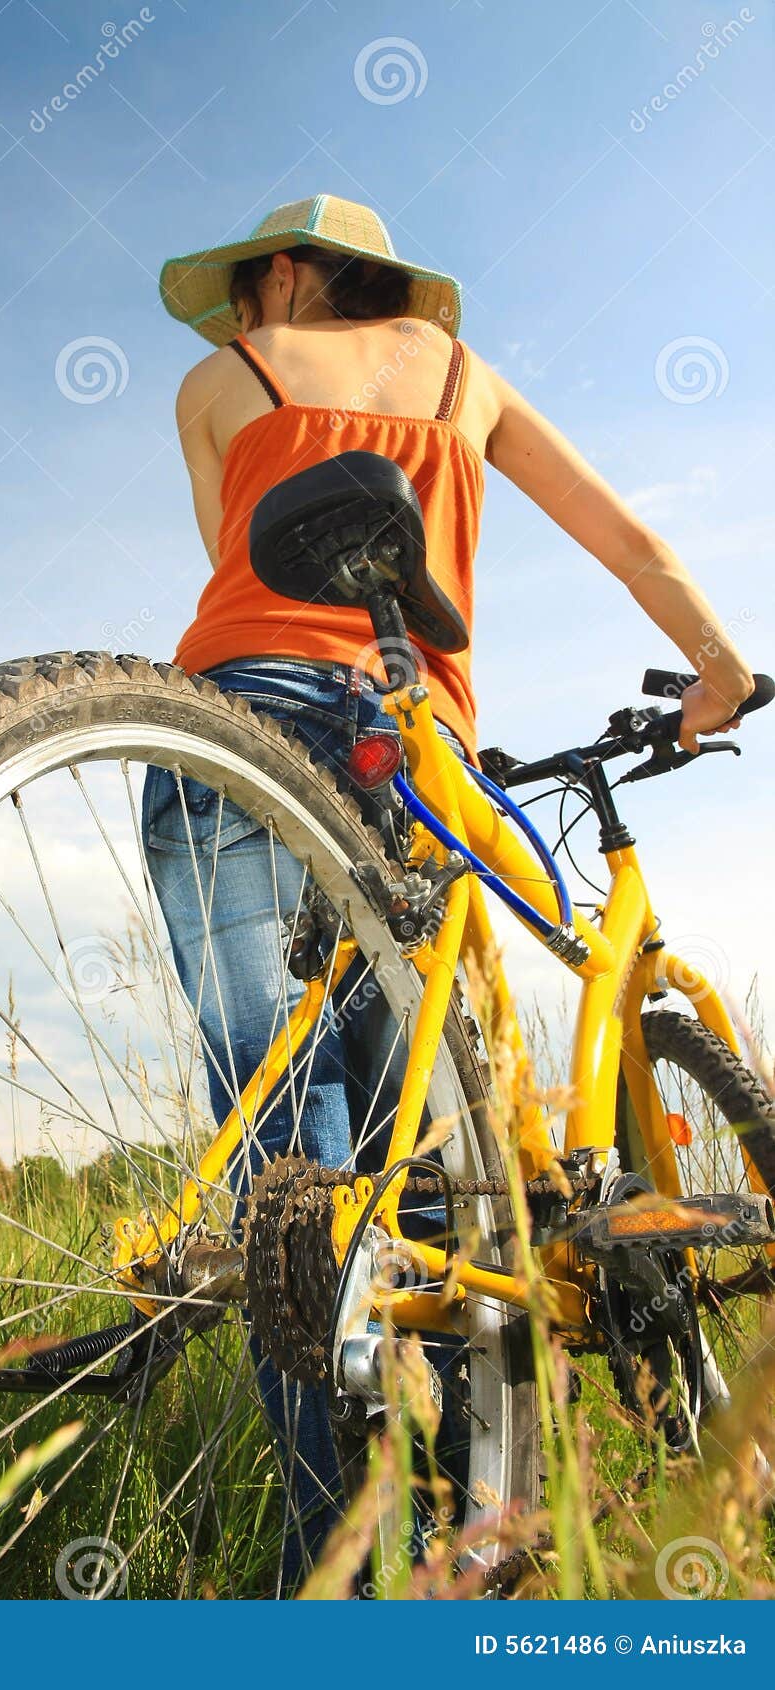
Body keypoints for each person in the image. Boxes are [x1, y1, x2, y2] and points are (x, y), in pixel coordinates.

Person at [141, 194, 755, 1582]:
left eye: (246, 290)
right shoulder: (465, 375)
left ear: (286, 274)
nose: (242, 317)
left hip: (224, 730)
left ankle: (336, 1573)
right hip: (399, 751)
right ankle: (475, 1544)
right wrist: (718, 667)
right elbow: (623, 536)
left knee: (292, 1177)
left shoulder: (212, 385)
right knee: (424, 1188)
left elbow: (240, 566)